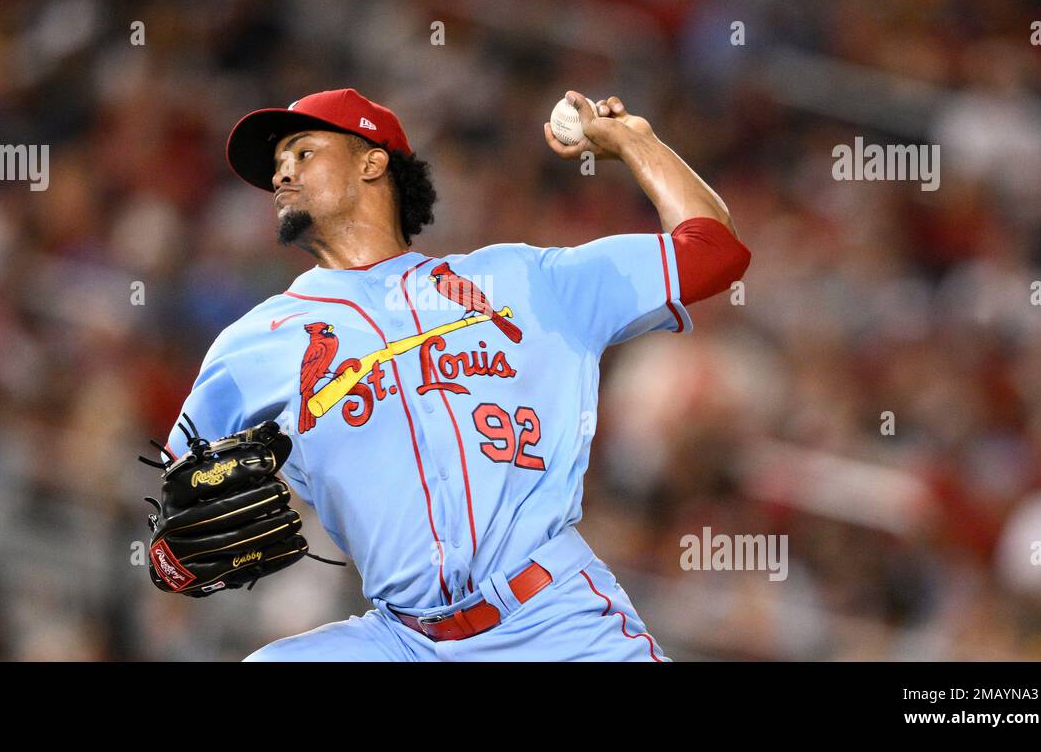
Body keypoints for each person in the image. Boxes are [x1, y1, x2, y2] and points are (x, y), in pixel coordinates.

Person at [166, 88, 750, 660]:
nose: (281, 175)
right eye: (276, 165)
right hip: (403, 640)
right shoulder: (255, 343)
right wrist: (177, 560)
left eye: (302, 151)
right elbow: (177, 503)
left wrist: (632, 142)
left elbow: (714, 250)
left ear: (372, 161)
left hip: (553, 622)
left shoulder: (524, 281)